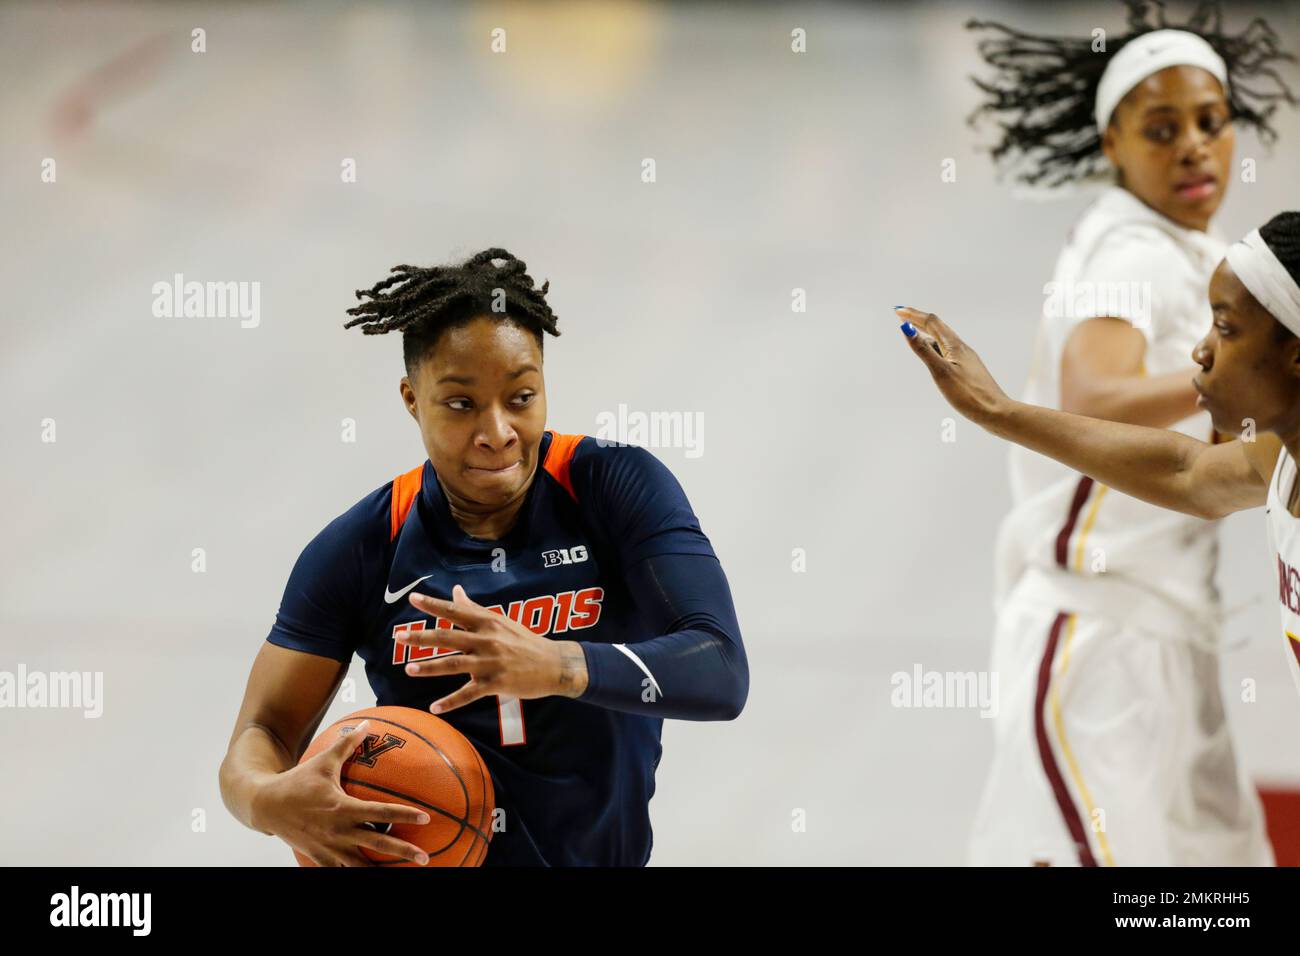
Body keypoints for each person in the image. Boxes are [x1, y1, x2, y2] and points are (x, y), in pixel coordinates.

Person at [219, 249, 749, 866]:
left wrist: (559, 665)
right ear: (412, 399)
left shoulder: (612, 487)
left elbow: (721, 670)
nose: (497, 432)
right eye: (461, 404)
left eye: (521, 397)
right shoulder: (365, 545)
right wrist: (267, 801)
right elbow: (263, 733)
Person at [959, 1, 1294, 866]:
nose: (1193, 147)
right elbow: (1092, 393)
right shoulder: (1135, 252)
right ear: (1111, 143)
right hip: (1100, 639)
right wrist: (1227, 378)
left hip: (1171, 626)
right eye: (1161, 130)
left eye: (1211, 122)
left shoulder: (1189, 249)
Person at [894, 211, 1300, 863]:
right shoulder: (1279, 457)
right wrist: (999, 412)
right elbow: (1188, 471)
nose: (1199, 352)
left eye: (1225, 329)